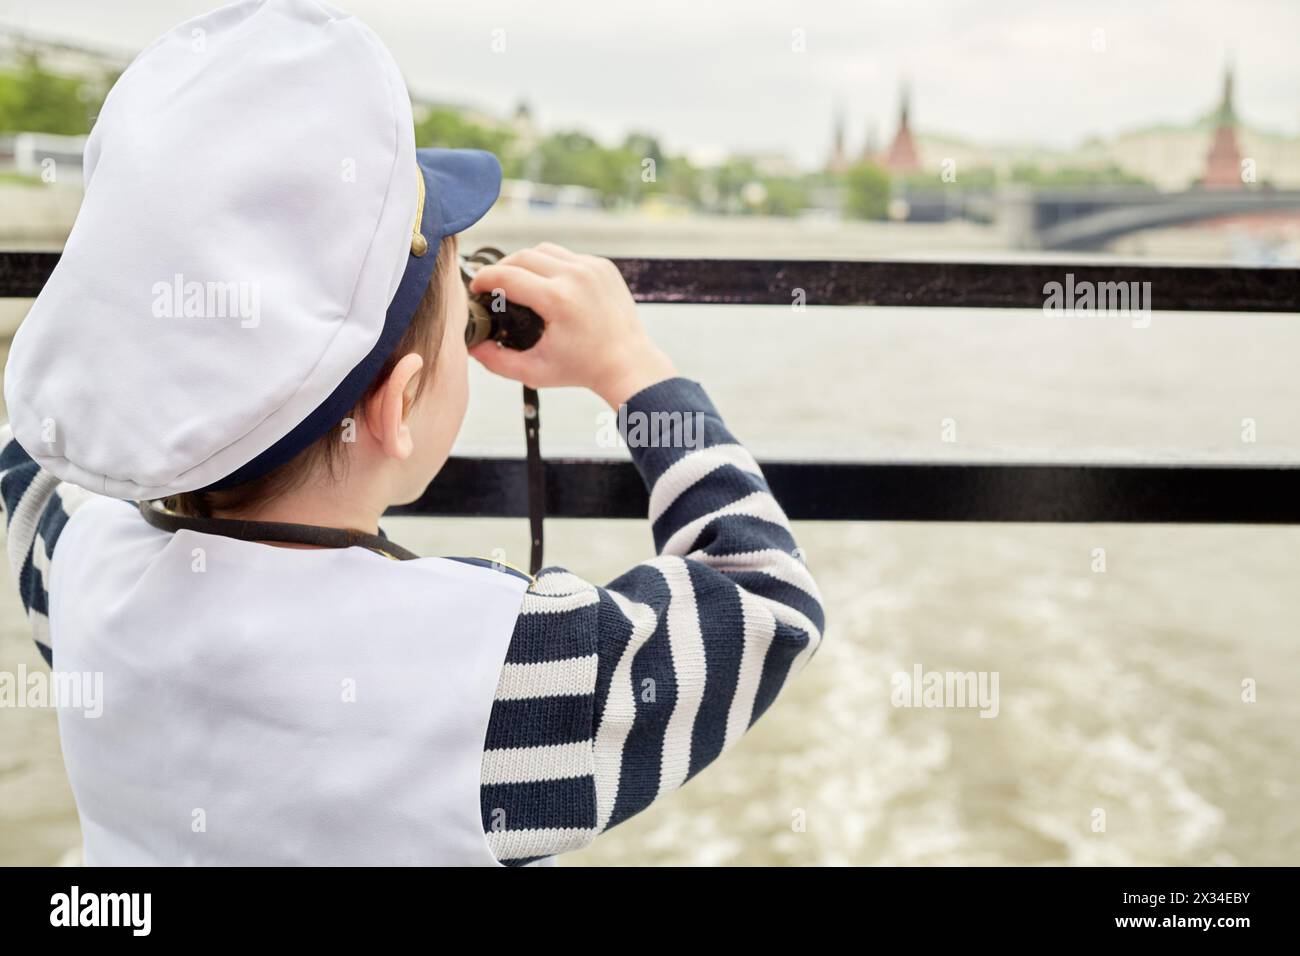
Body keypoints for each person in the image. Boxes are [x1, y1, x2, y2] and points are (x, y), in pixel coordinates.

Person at [0, 0, 824, 866]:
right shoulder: (513, 673)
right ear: (402, 406)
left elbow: (40, 440)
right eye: (459, 308)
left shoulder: (78, 569)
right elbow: (770, 605)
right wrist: (633, 368)